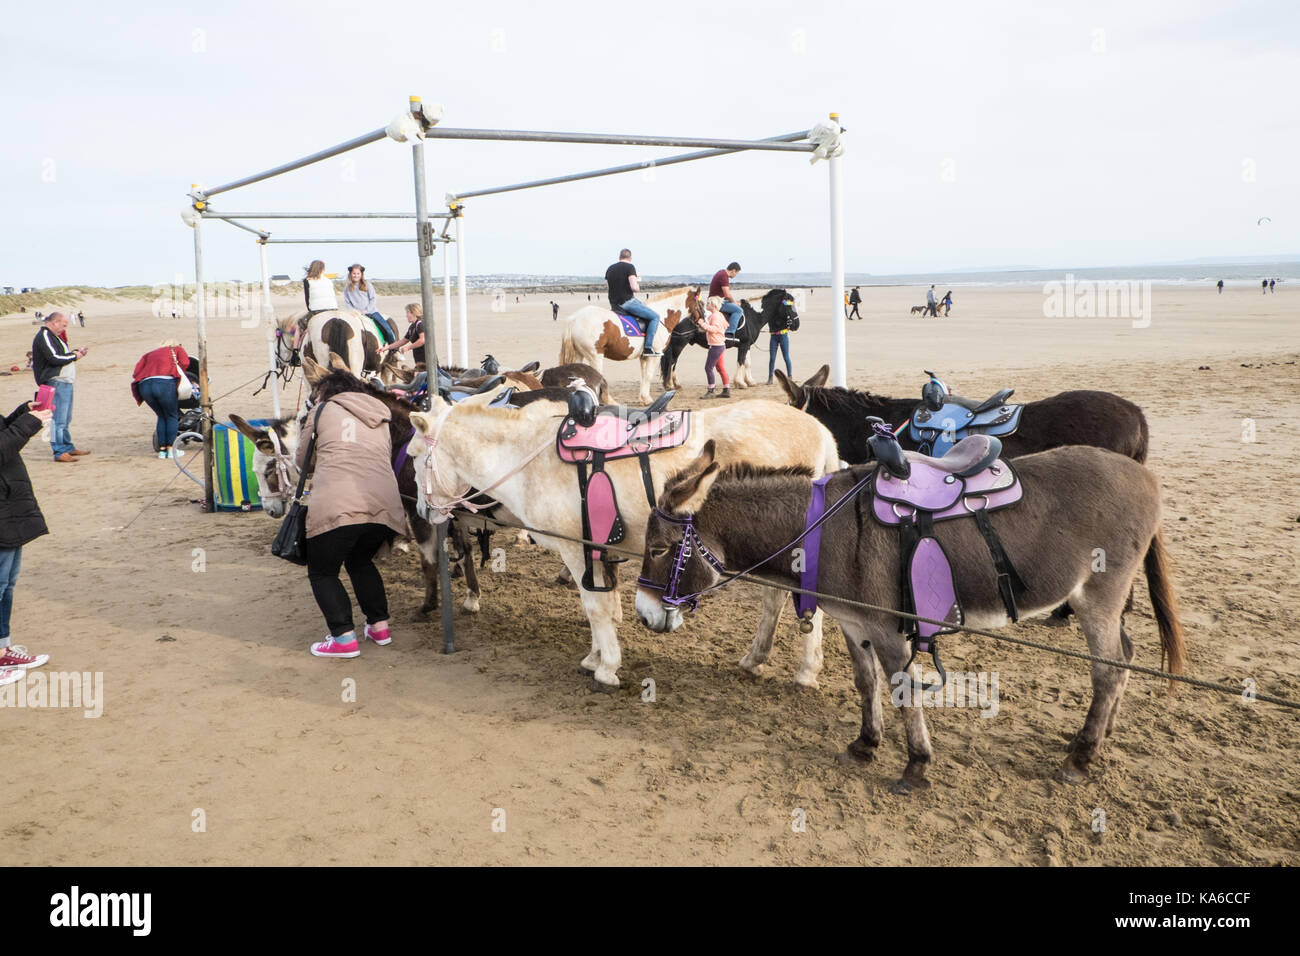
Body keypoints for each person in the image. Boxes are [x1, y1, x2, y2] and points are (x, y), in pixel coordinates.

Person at [297, 384, 406, 658]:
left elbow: (303, 460)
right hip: (384, 504)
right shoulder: (380, 414)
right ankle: (379, 628)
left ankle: (343, 638)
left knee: (322, 572)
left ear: (326, 392)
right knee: (360, 561)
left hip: (338, 502)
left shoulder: (322, 410)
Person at [0, 395, 54, 678]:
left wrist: (21, 414)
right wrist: (27, 424)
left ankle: (2, 650)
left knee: (6, 584)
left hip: (9, 505)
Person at [32, 312, 88, 463]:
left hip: (64, 381)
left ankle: (67, 447)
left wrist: (75, 353)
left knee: (66, 418)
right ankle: (59, 451)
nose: (64, 329)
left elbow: (60, 355)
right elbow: (54, 358)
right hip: (56, 381)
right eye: (63, 325)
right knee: (57, 419)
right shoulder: (44, 335)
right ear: (54, 322)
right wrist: (74, 356)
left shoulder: (54, 337)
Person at [131, 340, 192, 459]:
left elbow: (136, 372)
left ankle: (162, 451)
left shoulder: (148, 354)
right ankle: (171, 449)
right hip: (164, 383)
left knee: (161, 416)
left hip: (144, 386)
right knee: (171, 415)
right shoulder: (176, 349)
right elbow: (185, 363)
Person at [604, 249, 660, 356]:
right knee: (655, 317)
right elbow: (634, 288)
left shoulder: (610, 268)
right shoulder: (630, 267)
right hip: (627, 302)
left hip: (614, 303)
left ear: (620, 257)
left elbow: (607, 285)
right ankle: (648, 348)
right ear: (630, 258)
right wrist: (637, 285)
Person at [342, 264, 398, 344]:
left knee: (387, 329)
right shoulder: (347, 288)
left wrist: (366, 311)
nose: (356, 275)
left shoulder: (367, 285)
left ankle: (393, 347)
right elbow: (348, 303)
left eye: (358, 273)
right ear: (350, 274)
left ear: (361, 274)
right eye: (354, 273)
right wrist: (354, 312)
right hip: (356, 314)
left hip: (371, 312)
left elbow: (373, 299)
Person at [700, 296, 731, 399]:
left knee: (708, 368)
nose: (706, 305)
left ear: (713, 306)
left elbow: (715, 329)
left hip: (716, 345)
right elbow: (726, 325)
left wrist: (703, 324)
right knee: (720, 368)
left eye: (708, 304)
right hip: (720, 344)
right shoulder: (719, 315)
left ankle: (711, 390)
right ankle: (726, 390)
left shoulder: (715, 316)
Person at [709, 262, 744, 341]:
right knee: (739, 310)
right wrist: (735, 303)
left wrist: (732, 302)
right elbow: (727, 294)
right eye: (737, 273)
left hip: (718, 299)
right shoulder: (724, 276)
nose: (736, 275)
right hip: (716, 302)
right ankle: (730, 332)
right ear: (734, 271)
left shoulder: (721, 272)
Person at [767, 299, 795, 384]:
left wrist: (783, 302)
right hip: (773, 336)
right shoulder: (771, 310)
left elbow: (792, 303)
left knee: (786, 357)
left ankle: (790, 376)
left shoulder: (784, 306)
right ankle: (770, 378)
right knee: (772, 358)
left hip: (783, 336)